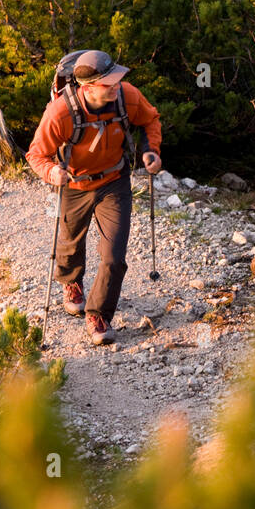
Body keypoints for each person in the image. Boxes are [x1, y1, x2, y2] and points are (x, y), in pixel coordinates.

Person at [27, 50, 162, 345]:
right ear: (88, 88)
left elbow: (151, 120)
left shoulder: (127, 96)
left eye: (116, 80)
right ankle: (71, 281)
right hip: (74, 185)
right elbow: (36, 155)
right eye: (108, 83)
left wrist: (151, 150)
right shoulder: (61, 113)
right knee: (70, 241)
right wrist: (51, 173)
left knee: (114, 256)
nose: (117, 86)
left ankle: (98, 314)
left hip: (114, 182)